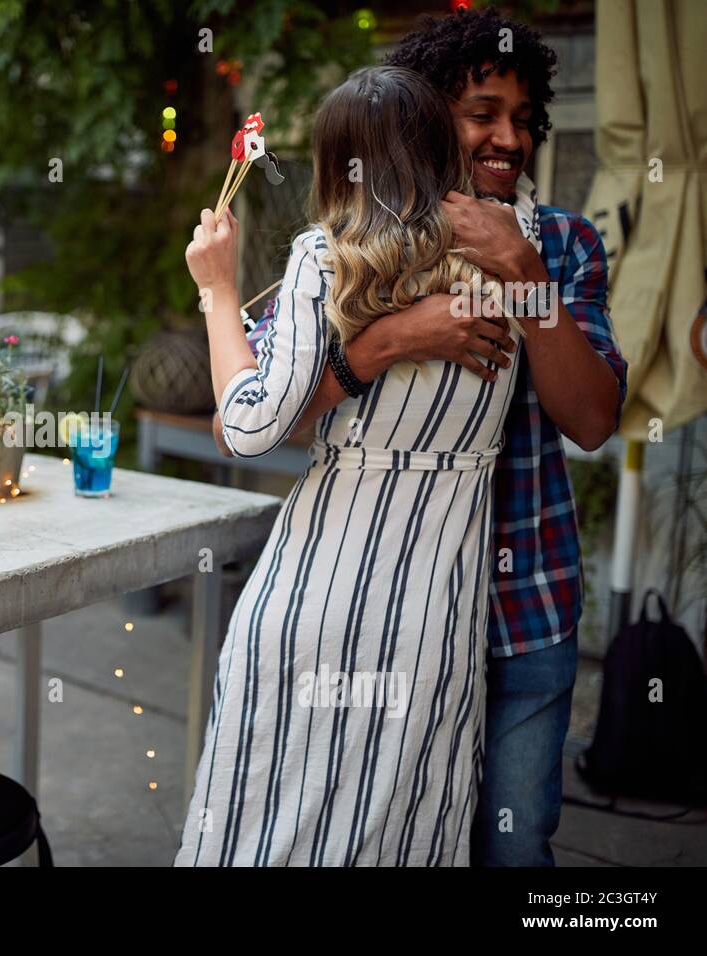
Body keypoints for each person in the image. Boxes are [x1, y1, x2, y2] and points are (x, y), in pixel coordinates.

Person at [232, 6, 628, 866]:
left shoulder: (563, 242)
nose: (509, 138)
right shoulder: (358, 243)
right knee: (384, 837)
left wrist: (524, 273)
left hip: (523, 606)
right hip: (383, 604)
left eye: (524, 118)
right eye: (484, 113)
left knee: (513, 849)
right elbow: (272, 412)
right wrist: (389, 340)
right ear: (426, 115)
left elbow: (593, 420)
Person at [178, 64, 530, 866]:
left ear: (337, 164)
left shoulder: (325, 259)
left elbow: (249, 427)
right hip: (435, 609)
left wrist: (218, 292)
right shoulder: (511, 258)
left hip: (318, 592)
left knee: (268, 829)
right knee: (403, 831)